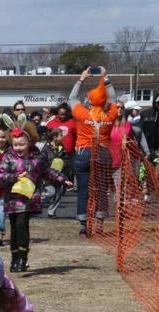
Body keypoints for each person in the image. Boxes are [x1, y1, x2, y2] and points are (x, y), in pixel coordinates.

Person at [0, 128, 72, 272]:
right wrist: (14, 177)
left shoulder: (37, 158)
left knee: (22, 224)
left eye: (22, 144)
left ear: (29, 143)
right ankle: (14, 259)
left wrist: (62, 179)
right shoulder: (7, 157)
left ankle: (22, 259)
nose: (19, 148)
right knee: (14, 226)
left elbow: (47, 171)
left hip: (29, 198)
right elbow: (1, 175)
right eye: (16, 145)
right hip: (13, 197)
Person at [69, 66, 117, 237]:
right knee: (102, 189)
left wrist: (81, 79)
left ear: (89, 101)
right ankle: (99, 223)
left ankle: (83, 225)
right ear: (104, 102)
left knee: (83, 189)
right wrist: (106, 78)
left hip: (83, 153)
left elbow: (72, 98)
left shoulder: (82, 114)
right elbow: (114, 99)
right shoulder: (110, 115)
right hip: (103, 153)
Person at [40, 129, 69, 218]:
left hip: (60, 175)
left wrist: (64, 163)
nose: (62, 137)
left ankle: (51, 212)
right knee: (50, 192)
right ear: (54, 137)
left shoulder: (61, 148)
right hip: (48, 175)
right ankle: (36, 201)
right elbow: (42, 161)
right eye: (60, 135)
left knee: (58, 193)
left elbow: (66, 159)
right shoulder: (46, 148)